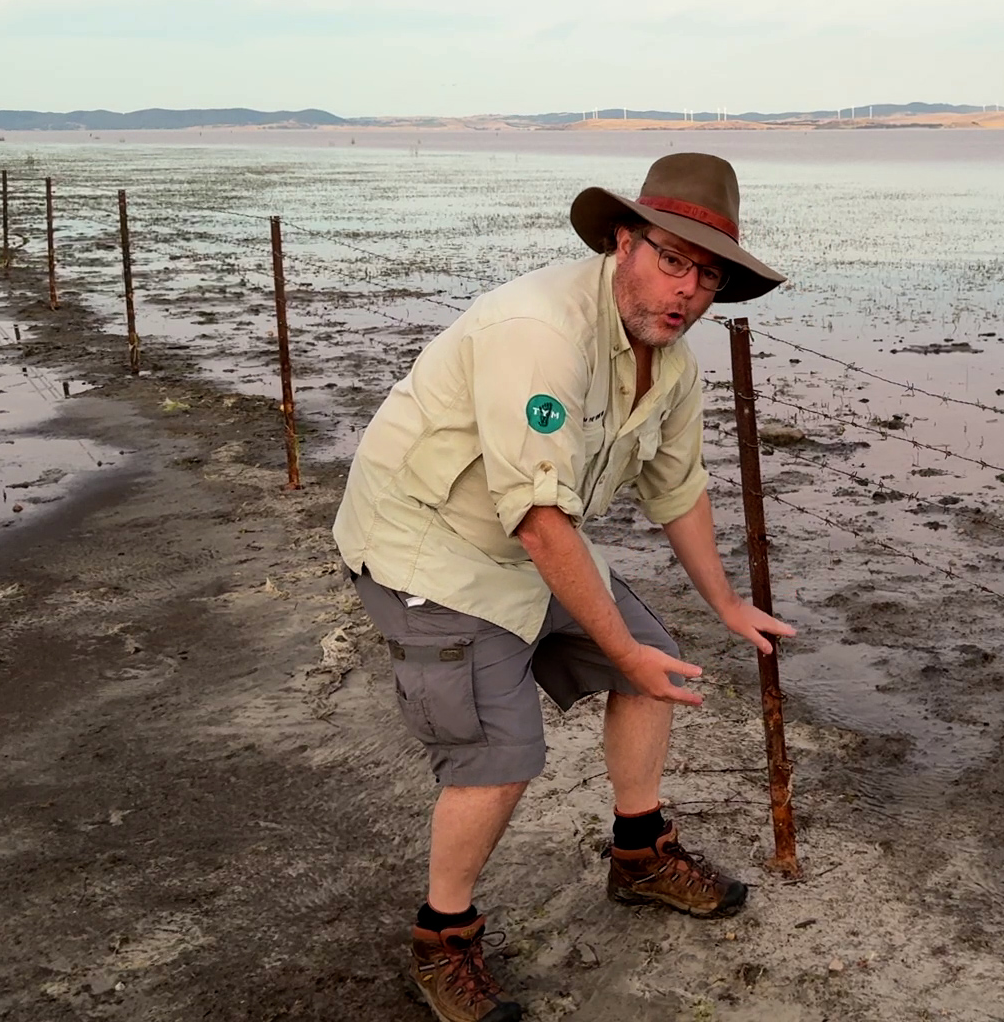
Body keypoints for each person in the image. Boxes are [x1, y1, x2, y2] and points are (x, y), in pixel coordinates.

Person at [333, 152, 796, 1022]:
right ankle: (443, 938)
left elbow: (677, 487)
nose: (687, 291)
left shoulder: (670, 359)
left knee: (654, 664)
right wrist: (617, 644)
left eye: (708, 275)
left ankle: (639, 856)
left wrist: (727, 605)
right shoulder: (540, 333)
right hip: (429, 544)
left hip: (526, 541)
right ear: (623, 242)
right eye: (671, 259)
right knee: (499, 754)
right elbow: (541, 522)